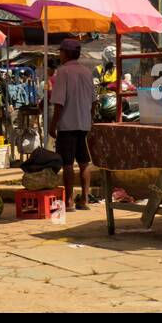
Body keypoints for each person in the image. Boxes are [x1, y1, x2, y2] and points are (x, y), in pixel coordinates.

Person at [50, 39, 97, 210]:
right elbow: (94, 102)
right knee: (84, 162)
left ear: (67, 53)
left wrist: (52, 124)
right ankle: (84, 200)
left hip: (67, 125)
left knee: (67, 163)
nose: (60, 55)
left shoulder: (63, 72)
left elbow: (59, 103)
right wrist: (90, 121)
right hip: (84, 125)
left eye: (61, 52)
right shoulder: (87, 72)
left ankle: (69, 201)